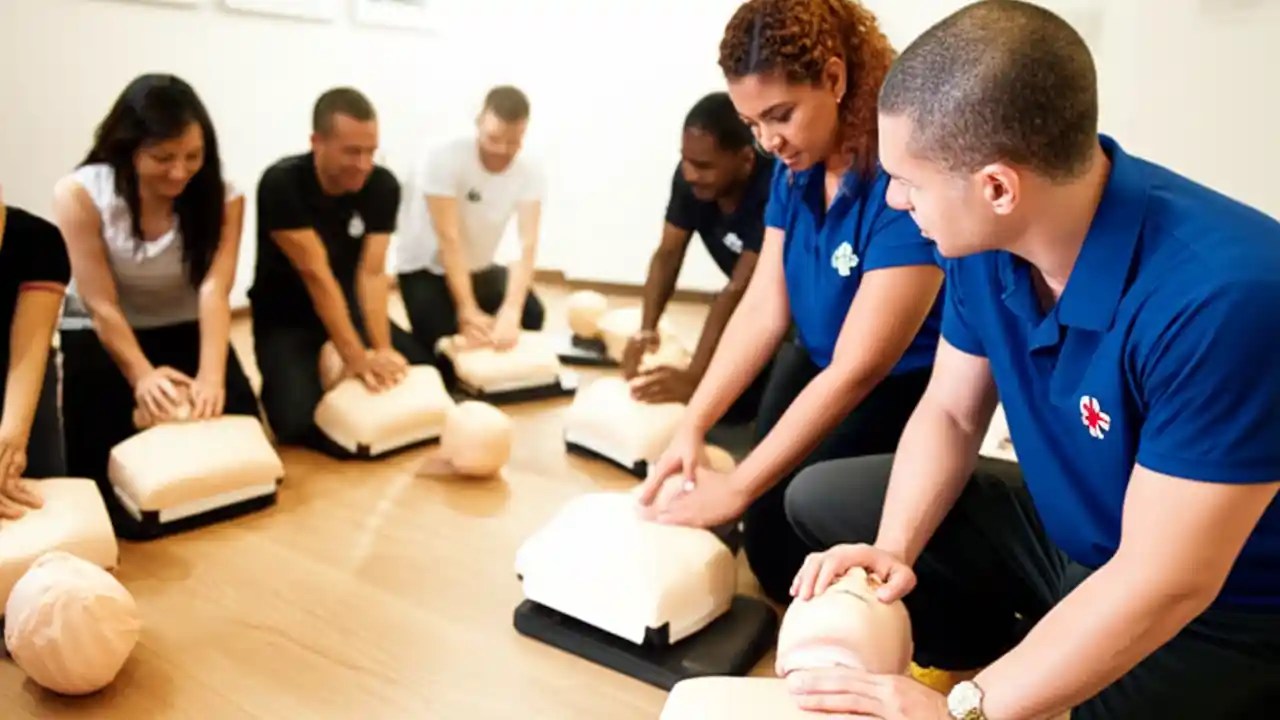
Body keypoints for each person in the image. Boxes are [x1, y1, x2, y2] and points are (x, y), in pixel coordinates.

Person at [783, 2, 1280, 718]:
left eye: (908, 181)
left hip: (1222, 611)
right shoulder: (983, 245)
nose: (894, 198)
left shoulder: (1225, 298)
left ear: (997, 186)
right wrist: (891, 552)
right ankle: (1013, 653)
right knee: (826, 500)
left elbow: (1168, 579)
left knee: (1074, 703)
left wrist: (969, 708)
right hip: (1082, 542)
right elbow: (952, 413)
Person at [636, 0, 945, 605]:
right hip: (815, 357)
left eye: (779, 115)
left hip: (898, 385)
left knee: (786, 545)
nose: (767, 140)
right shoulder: (795, 167)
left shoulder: (901, 177)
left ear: (834, 79)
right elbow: (762, 308)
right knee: (768, 545)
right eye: (752, 124)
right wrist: (692, 424)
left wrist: (740, 485)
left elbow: (861, 367)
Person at [51, 74, 261, 531]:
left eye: (192, 157)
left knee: (245, 451)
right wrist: (142, 377)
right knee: (101, 481)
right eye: (163, 158)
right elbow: (99, 301)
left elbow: (213, 290)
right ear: (128, 149)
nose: (180, 172)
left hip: (184, 323)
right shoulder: (80, 194)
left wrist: (211, 377)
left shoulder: (225, 195)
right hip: (102, 332)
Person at [248, 87, 430, 456]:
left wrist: (381, 349)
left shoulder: (382, 185)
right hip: (287, 319)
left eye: (370, 151)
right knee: (295, 423)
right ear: (317, 142)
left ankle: (340, 358)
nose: (364, 164)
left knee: (424, 369)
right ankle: (298, 372)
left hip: (351, 309)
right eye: (352, 152)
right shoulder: (281, 185)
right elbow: (318, 277)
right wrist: (356, 357)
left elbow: (372, 274)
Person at [622, 92, 775, 420]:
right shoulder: (690, 181)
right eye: (685, 160)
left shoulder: (772, 189)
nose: (690, 173)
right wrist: (646, 329)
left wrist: (697, 375)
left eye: (703, 166)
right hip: (750, 304)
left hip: (787, 316)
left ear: (746, 160)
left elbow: (739, 289)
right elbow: (668, 254)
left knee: (745, 408)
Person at [394, 85, 546, 357]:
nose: (502, 150)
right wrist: (467, 308)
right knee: (442, 344)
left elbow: (527, 243)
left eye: (514, 142)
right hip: (425, 268)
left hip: (478, 267)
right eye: (494, 138)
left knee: (531, 315)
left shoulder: (529, 169)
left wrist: (511, 311)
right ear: (479, 122)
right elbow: (448, 239)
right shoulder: (443, 156)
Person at [0, 192, 70, 519]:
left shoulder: (38, 241)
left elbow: (28, 355)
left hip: (18, 386)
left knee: (42, 498)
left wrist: (9, 448)